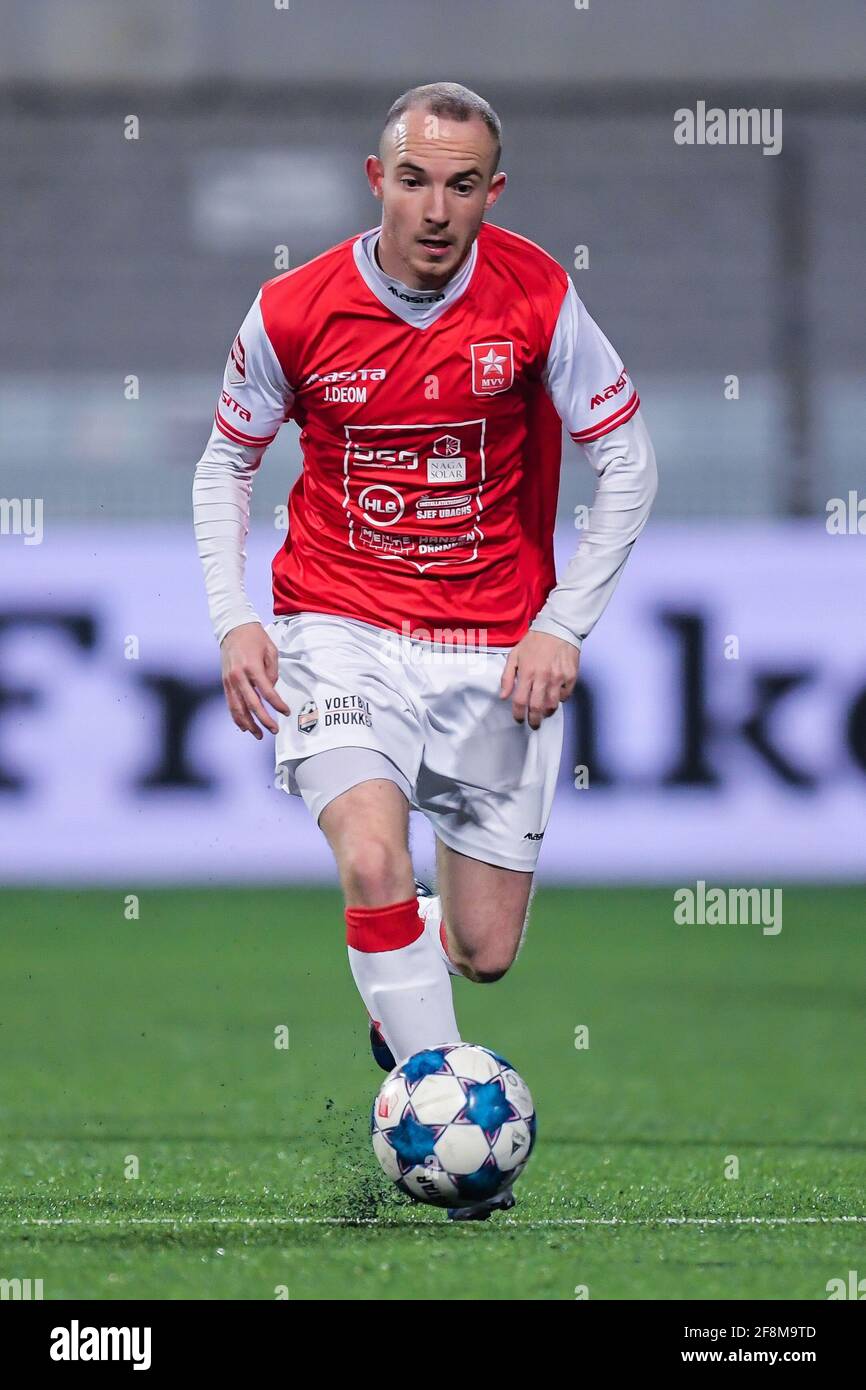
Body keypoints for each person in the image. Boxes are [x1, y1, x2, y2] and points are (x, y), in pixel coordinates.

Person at [193, 82, 657, 1218]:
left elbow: (629, 463)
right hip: (337, 629)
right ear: (375, 180)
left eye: (461, 185)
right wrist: (232, 613)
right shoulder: (294, 311)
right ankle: (451, 1141)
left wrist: (561, 623)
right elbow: (224, 466)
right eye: (413, 180)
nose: (436, 209)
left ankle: (398, 1004)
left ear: (490, 192)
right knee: (370, 859)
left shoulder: (537, 295)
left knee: (484, 949)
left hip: (492, 646)